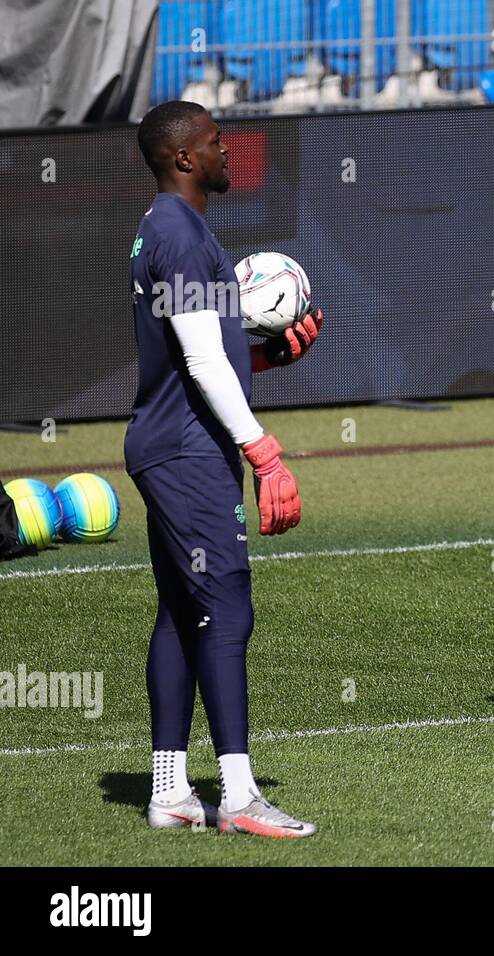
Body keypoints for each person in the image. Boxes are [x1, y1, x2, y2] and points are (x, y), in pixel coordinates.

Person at [130, 100, 322, 836]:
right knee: (226, 608)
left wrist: (268, 356)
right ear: (182, 158)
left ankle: (172, 792)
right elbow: (203, 356)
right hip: (185, 451)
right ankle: (239, 799)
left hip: (173, 441)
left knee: (183, 611)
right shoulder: (178, 233)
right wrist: (264, 451)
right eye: (215, 142)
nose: (226, 150)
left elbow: (201, 354)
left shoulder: (174, 228)